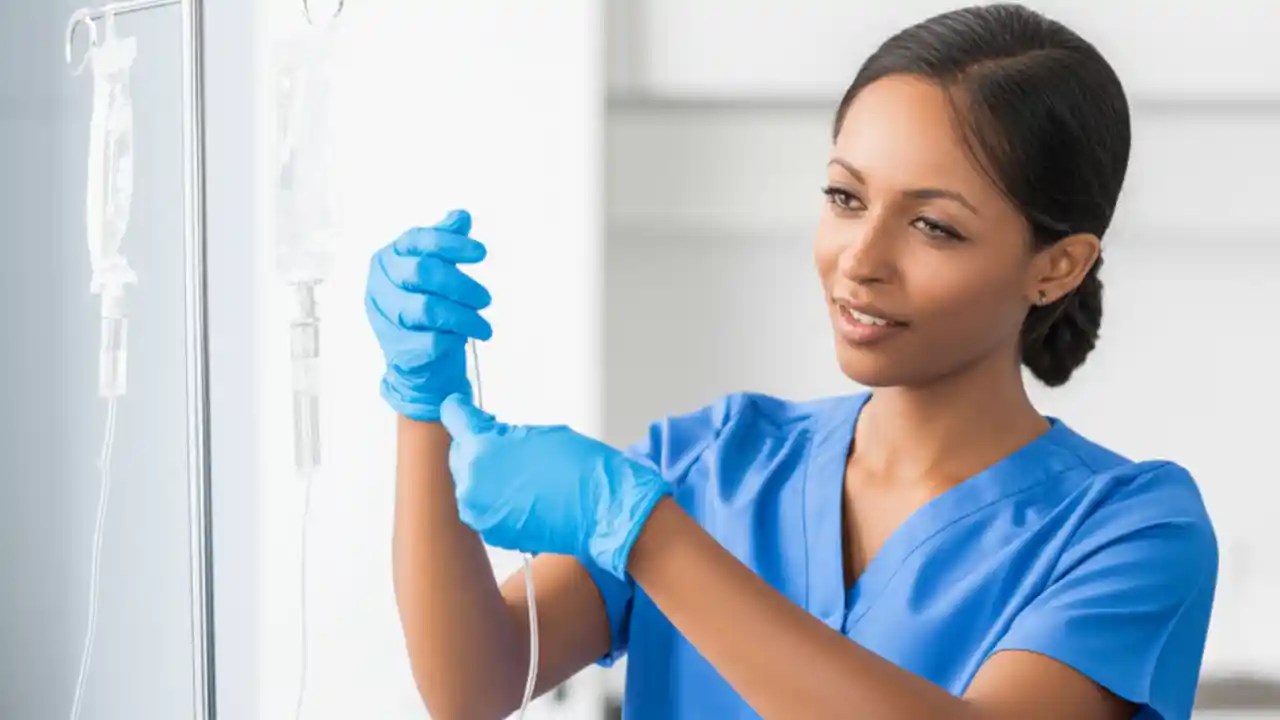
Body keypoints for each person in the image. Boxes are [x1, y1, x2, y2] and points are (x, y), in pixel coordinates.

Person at [364, 4, 1217, 718]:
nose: (861, 260)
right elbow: (473, 684)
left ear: (1056, 267)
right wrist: (423, 405)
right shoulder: (713, 460)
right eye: (846, 197)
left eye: (933, 226)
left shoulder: (1130, 530)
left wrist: (648, 536)